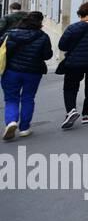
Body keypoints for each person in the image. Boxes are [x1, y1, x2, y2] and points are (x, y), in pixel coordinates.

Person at [2, 11, 53, 140]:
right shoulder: (43, 37)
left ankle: (11, 121)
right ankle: (24, 128)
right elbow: (47, 55)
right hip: (33, 72)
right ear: (40, 23)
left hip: (11, 71)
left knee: (11, 99)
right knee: (28, 98)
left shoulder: (11, 34)